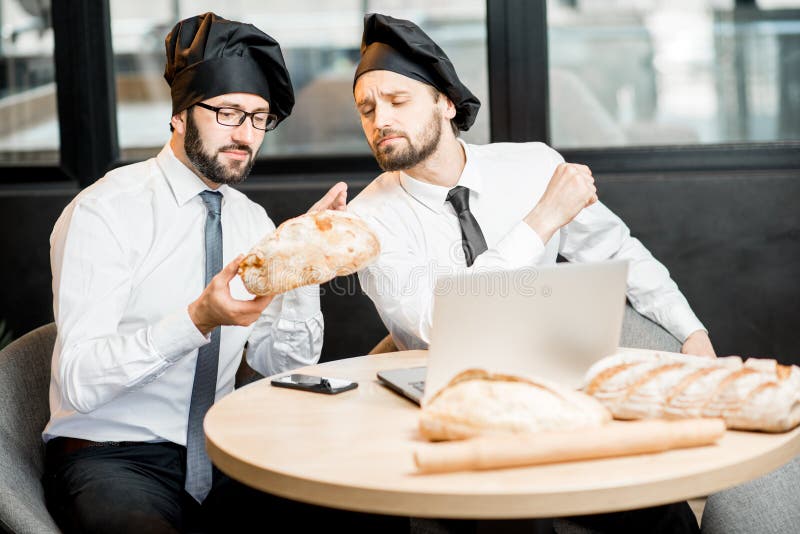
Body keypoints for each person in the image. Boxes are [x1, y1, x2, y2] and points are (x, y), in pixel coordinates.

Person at [42, 12, 403, 534]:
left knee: (369, 513)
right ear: (180, 115)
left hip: (226, 451)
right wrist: (196, 319)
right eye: (229, 113)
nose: (245, 135)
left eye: (259, 118)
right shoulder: (106, 210)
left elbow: (280, 364)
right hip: (113, 456)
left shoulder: (250, 220)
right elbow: (79, 382)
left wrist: (301, 265)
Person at [347, 13, 708, 533]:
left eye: (397, 101)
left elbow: (617, 253)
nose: (379, 119)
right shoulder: (368, 219)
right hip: (455, 416)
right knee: (518, 518)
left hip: (556, 394)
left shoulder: (532, 165)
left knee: (663, 512)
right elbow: (439, 324)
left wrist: (691, 331)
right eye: (366, 109)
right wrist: (540, 221)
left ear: (446, 103)